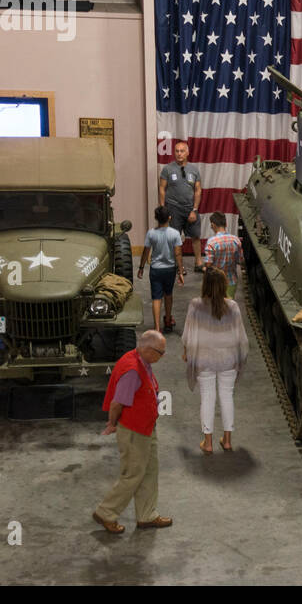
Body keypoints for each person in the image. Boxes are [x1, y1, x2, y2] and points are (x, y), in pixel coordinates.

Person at [93, 330, 172, 534]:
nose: (161, 357)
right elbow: (117, 403)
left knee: (150, 470)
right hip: (134, 431)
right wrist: (112, 423)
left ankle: (146, 515)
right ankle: (106, 513)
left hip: (145, 428)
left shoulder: (142, 362)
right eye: (159, 352)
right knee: (133, 474)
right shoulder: (132, 370)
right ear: (146, 349)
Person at [182, 267, 250, 455]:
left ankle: (208, 442)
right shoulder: (233, 306)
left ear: (205, 284)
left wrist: (186, 351)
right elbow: (241, 337)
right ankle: (227, 440)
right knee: (227, 396)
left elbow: (188, 334)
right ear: (223, 285)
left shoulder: (196, 305)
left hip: (204, 359)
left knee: (207, 397)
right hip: (228, 359)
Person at [158, 139, 203, 274]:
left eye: (182, 151)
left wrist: (194, 210)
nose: (179, 154)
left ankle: (199, 263)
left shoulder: (194, 170)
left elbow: (198, 190)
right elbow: (162, 188)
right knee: (175, 238)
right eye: (177, 151)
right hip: (173, 208)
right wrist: (163, 209)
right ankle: (178, 266)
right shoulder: (167, 169)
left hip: (190, 209)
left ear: (187, 153)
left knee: (195, 236)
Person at [137, 206, 184, 333]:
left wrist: (141, 268)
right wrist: (180, 271)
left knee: (156, 298)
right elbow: (178, 254)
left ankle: (157, 328)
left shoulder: (151, 233)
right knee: (168, 295)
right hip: (170, 269)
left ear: (156, 218)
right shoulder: (175, 234)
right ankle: (168, 320)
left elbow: (146, 252)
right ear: (169, 217)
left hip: (155, 269)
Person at [202, 212, 244, 299]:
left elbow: (209, 265)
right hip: (231, 280)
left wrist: (204, 268)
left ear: (212, 225)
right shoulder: (236, 240)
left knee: (216, 306)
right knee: (229, 306)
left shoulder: (211, 242)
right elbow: (241, 261)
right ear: (226, 224)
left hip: (215, 282)